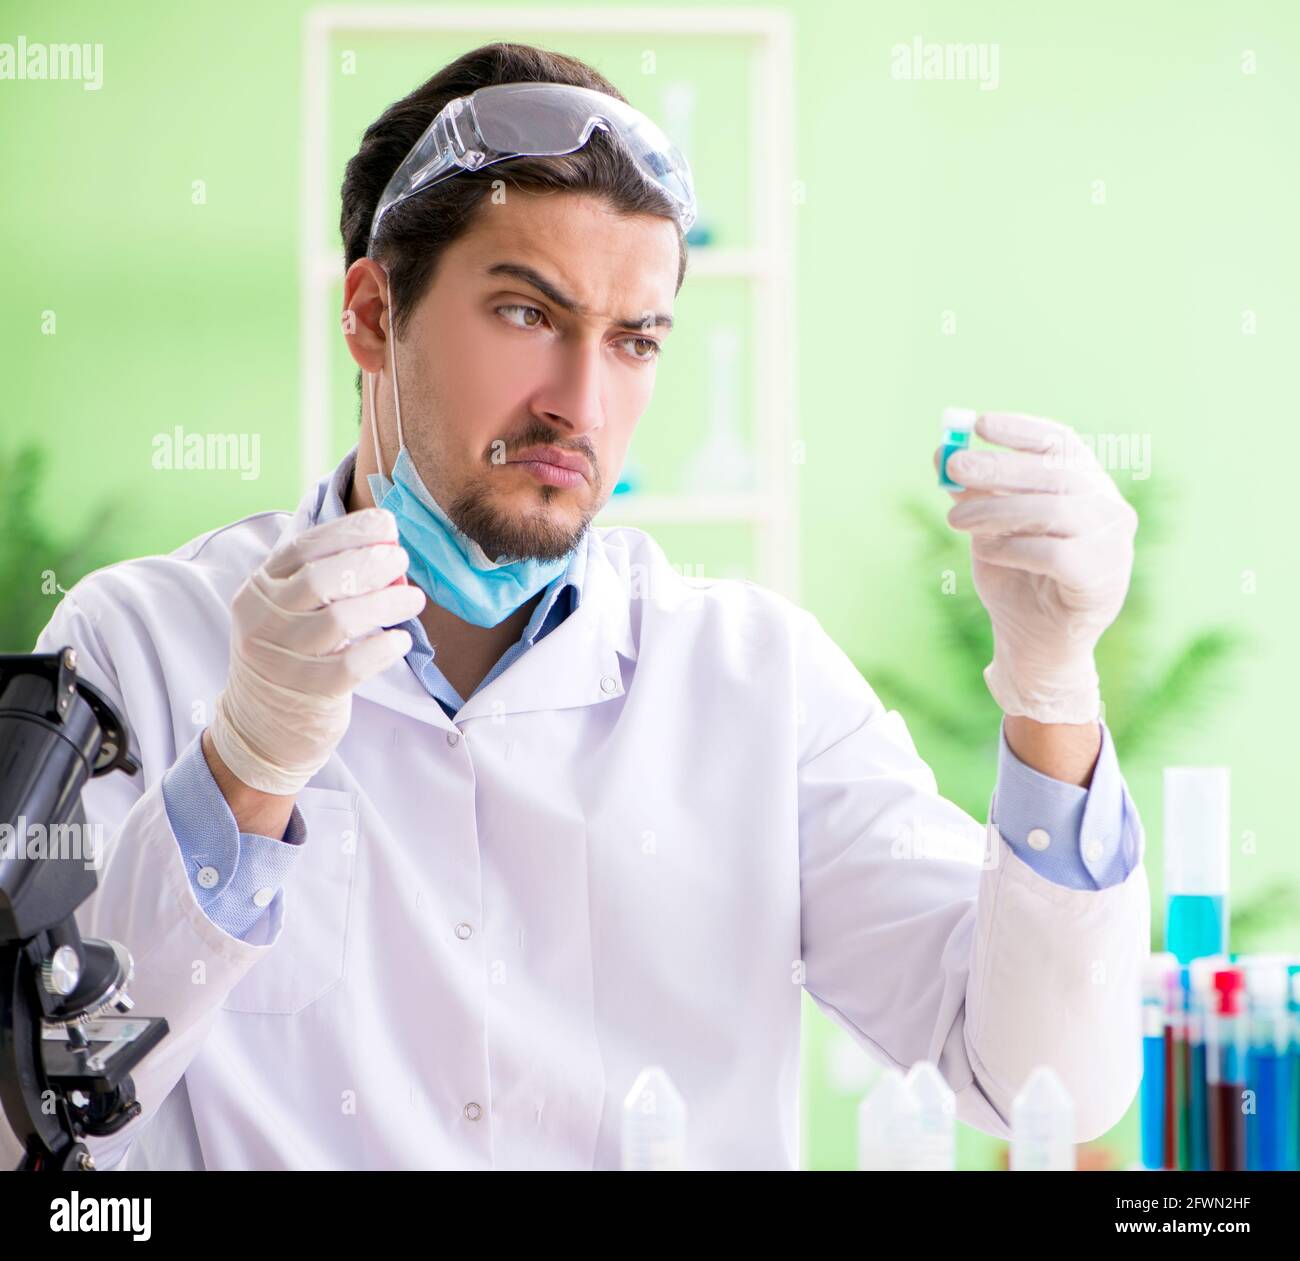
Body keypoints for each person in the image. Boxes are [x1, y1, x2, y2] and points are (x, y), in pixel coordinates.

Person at [8, 41, 1146, 1171]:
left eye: (633, 339)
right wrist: (240, 776)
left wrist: (1054, 692)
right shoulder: (138, 645)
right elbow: (34, 1116)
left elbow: (1036, 1077)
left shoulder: (757, 679)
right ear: (370, 314)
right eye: (524, 313)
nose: (580, 403)